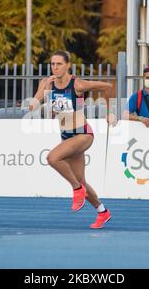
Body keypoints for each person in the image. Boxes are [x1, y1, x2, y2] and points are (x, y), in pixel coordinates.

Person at [29, 50, 117, 229]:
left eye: (59, 64)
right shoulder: (48, 83)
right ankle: (102, 211)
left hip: (83, 134)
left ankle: (76, 189)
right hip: (66, 136)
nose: (55, 67)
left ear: (68, 65)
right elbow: (35, 103)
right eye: (52, 64)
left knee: (52, 158)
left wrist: (109, 112)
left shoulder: (77, 84)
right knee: (81, 180)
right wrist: (40, 94)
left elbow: (107, 88)